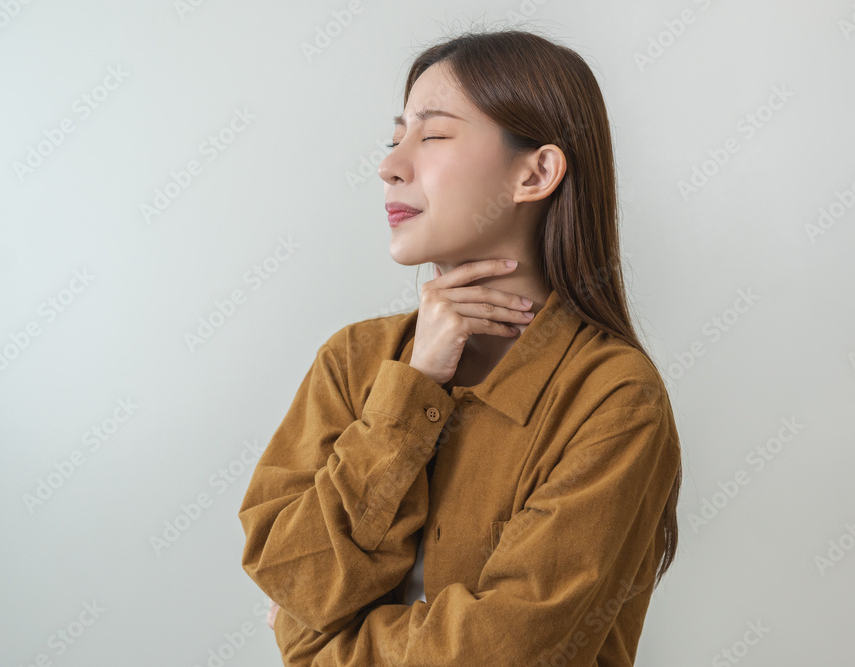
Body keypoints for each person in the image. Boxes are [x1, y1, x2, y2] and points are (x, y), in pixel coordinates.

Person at [238, 27, 683, 666]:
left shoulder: (613, 396)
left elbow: (504, 650)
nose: (390, 164)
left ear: (537, 171)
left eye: (434, 135)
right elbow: (286, 573)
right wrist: (411, 387)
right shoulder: (354, 360)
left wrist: (320, 643)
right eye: (395, 138)